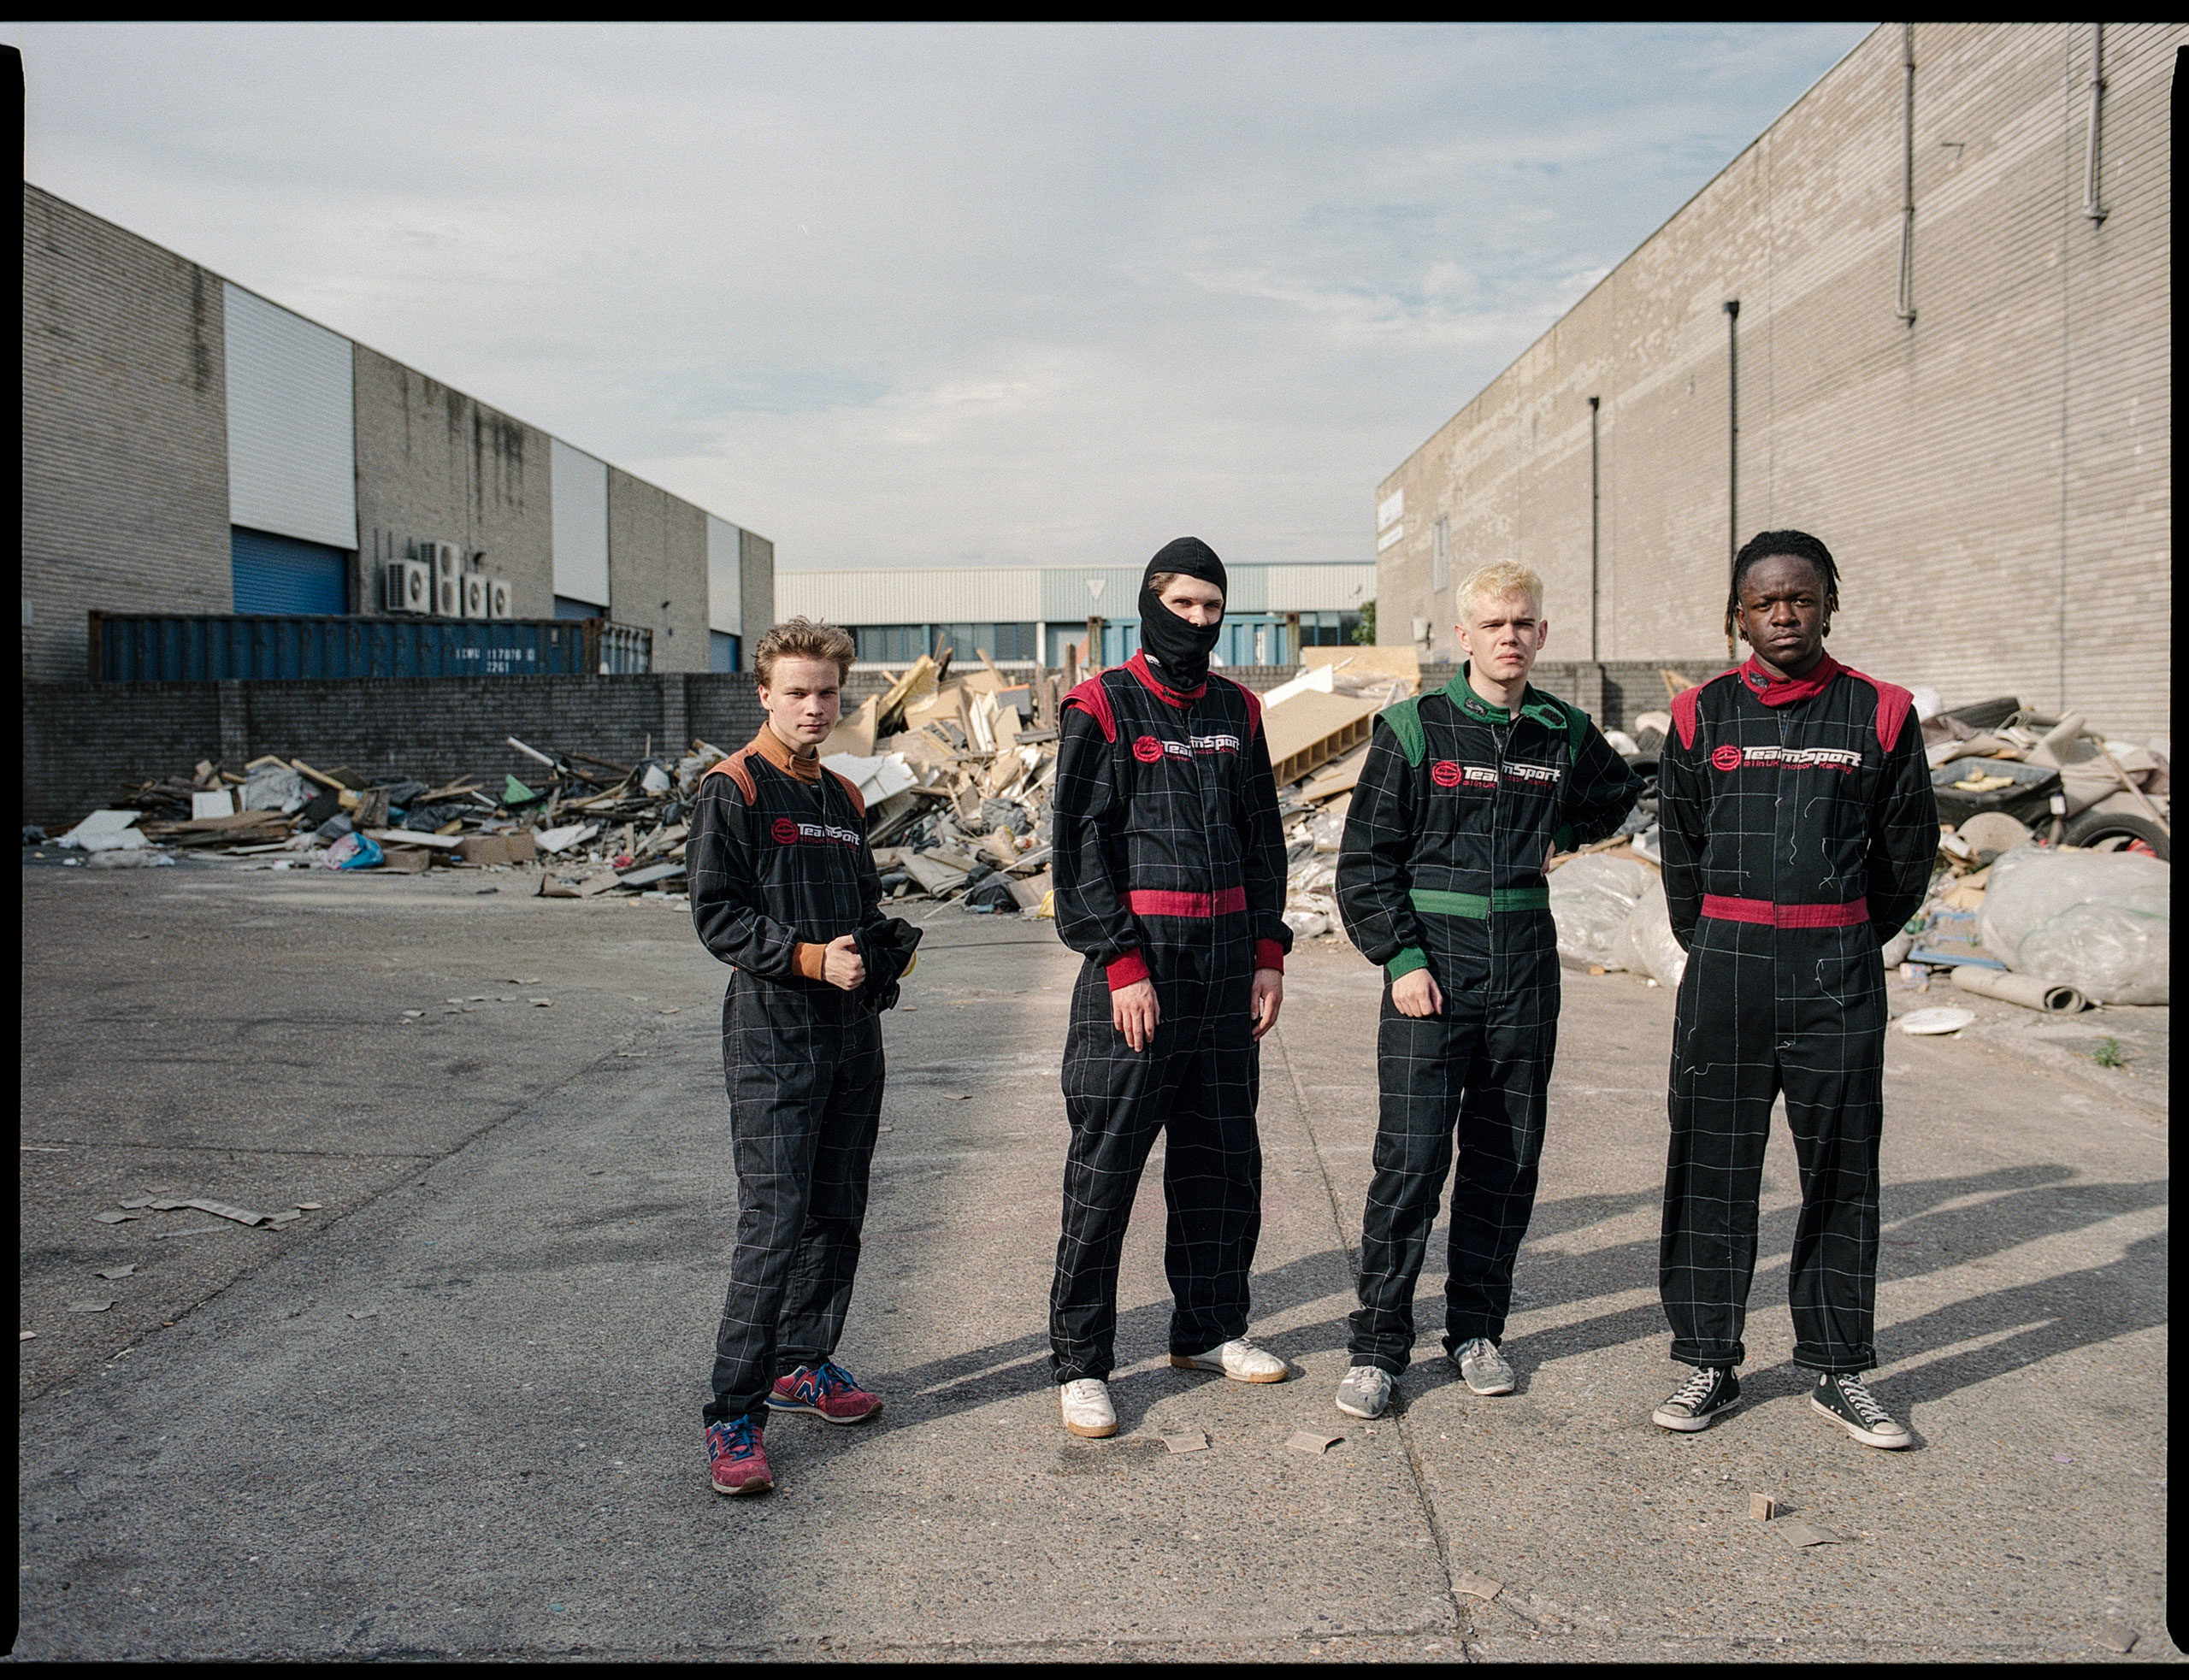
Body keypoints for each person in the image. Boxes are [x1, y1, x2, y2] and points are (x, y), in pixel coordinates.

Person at [1332, 563, 1639, 1420]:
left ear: (1542, 635)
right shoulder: (1414, 727)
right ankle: (1376, 1347)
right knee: (1412, 1161)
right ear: (1462, 637)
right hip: (1433, 966)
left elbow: (1617, 796)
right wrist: (1400, 962)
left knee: (1504, 1163)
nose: (1509, 637)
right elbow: (1363, 866)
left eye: (1523, 623)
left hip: (1524, 967)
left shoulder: (1560, 730)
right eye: (1493, 624)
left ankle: (1475, 1331)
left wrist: (1556, 829)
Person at [1650, 530, 1936, 1448]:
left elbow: (1906, 859)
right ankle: (1708, 1360)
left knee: (1842, 1172)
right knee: (1711, 1168)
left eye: (1800, 598)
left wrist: (1843, 936)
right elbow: (1680, 852)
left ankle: (1838, 1369)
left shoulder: (1881, 712)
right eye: (1764, 601)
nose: (1783, 615)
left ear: (1829, 604)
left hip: (1836, 969)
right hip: (1726, 967)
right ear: (1736, 614)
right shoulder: (1700, 715)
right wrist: (1723, 939)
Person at [1047, 538, 1294, 1439]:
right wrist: (1119, 963)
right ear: (1148, 604)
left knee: (1223, 1165)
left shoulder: (1239, 711)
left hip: (1227, 970)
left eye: (1210, 607)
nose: (1197, 621)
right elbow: (1074, 854)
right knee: (1105, 1170)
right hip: (1137, 978)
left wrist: (1269, 951)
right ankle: (1081, 1363)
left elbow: (1264, 839)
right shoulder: (1101, 706)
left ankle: (1210, 1327)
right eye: (1182, 604)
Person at [687, 616, 921, 1496]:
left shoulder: (844, 796)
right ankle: (733, 1416)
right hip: (773, 1035)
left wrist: (882, 949)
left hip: (850, 1033)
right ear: (763, 694)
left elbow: (857, 902)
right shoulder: (732, 787)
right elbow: (717, 915)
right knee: (774, 1224)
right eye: (796, 692)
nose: (814, 707)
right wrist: (811, 958)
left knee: (836, 1211)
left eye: (826, 692)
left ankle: (803, 1365)